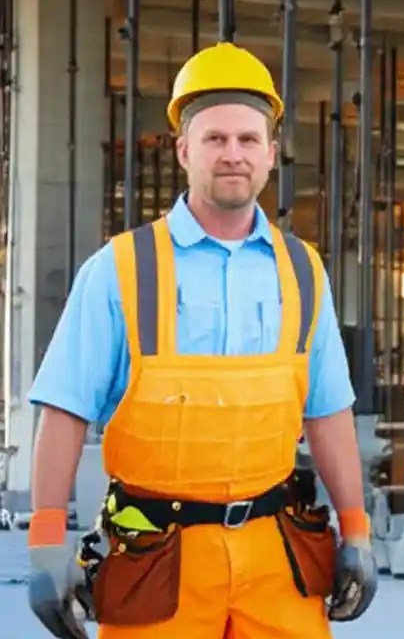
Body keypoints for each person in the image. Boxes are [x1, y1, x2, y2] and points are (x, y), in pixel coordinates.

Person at [24, 42, 378, 639]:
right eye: (215, 139)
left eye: (247, 140)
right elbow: (64, 408)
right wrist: (45, 538)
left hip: (278, 560)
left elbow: (328, 411)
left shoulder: (303, 270)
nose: (232, 154)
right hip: (158, 562)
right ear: (184, 150)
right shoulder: (121, 268)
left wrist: (357, 529)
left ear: (271, 154)